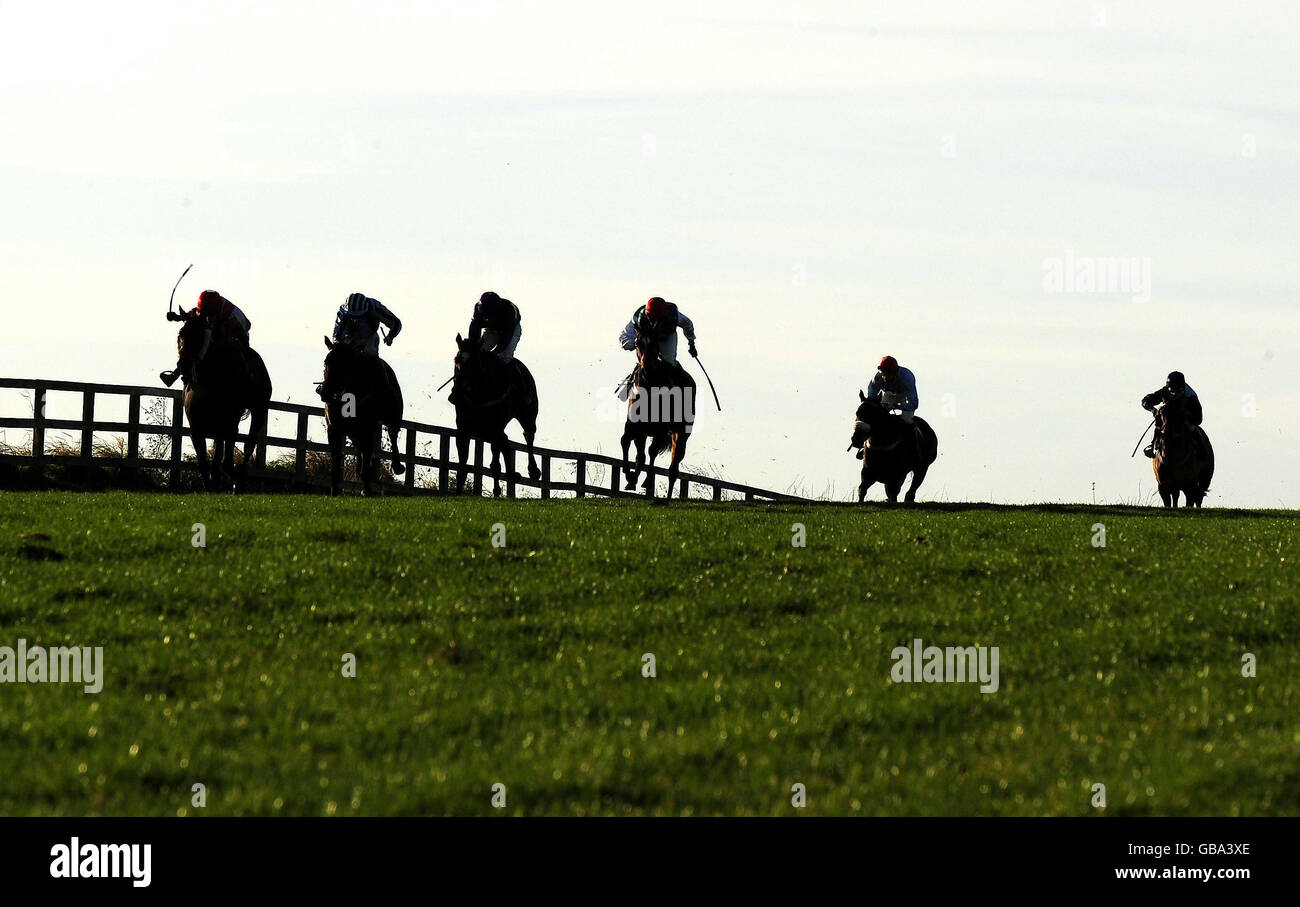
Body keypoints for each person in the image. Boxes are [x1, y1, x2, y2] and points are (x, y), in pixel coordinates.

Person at [160, 290, 251, 387]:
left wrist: (219, 334)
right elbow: (194, 315)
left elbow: (241, 330)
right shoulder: (206, 307)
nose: (206, 318)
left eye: (208, 316)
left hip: (236, 334)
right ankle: (178, 372)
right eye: (204, 315)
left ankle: (247, 379)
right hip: (218, 325)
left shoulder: (232, 316)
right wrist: (177, 317)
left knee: (226, 346)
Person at [619, 297, 697, 382]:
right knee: (645, 361)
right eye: (652, 318)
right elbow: (623, 337)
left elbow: (688, 325)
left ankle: (680, 381)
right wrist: (634, 343)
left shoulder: (674, 315)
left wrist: (691, 343)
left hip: (666, 337)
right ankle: (630, 383)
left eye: (659, 318)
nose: (655, 321)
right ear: (646, 314)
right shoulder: (637, 318)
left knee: (669, 360)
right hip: (646, 339)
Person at [1141, 370, 1202, 458]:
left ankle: (1201, 453)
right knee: (1160, 419)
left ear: (1183, 388)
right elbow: (1145, 401)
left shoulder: (1191, 396)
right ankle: (1152, 445)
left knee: (1192, 428)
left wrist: (1185, 416)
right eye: (1172, 392)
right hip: (1169, 418)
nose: (1175, 395)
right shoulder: (1165, 391)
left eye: (1178, 392)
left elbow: (1198, 419)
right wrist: (1153, 410)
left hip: (1185, 421)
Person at [332, 292, 401, 356]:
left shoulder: (375, 308)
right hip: (349, 336)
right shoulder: (343, 312)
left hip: (369, 337)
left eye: (359, 317)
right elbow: (337, 334)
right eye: (352, 317)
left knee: (370, 354)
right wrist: (337, 345)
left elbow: (395, 322)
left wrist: (390, 336)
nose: (355, 320)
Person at [467, 291, 522, 362]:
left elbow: (506, 338)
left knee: (505, 357)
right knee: (478, 352)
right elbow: (475, 328)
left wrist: (494, 353)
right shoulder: (478, 308)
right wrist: (473, 346)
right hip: (491, 331)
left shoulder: (509, 311)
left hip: (511, 330)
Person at [865, 355, 918, 423]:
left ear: (895, 373)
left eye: (888, 374)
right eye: (883, 374)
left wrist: (896, 406)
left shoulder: (906, 379)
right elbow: (871, 397)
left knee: (907, 420)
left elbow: (914, 403)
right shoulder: (877, 378)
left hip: (905, 396)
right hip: (888, 394)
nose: (885, 377)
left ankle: (913, 432)